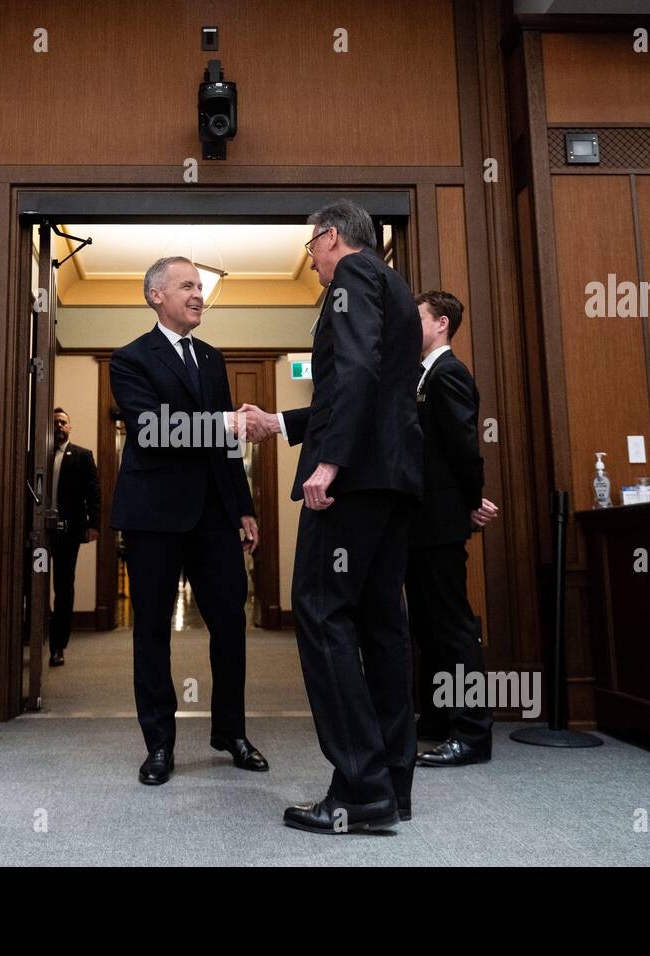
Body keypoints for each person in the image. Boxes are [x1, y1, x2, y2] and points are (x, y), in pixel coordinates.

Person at [237, 200, 422, 833]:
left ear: (331, 237)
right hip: (389, 480)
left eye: (310, 247)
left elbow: (355, 369)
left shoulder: (351, 276)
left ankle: (359, 788)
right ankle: (391, 784)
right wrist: (282, 425)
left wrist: (330, 462)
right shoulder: (389, 281)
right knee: (381, 626)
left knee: (319, 610)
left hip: (355, 480)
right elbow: (366, 384)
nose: (309, 259)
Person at [109, 256, 267, 786]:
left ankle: (231, 732)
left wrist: (243, 506)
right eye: (188, 286)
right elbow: (151, 430)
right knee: (152, 632)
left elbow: (228, 447)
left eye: (201, 287)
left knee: (230, 626)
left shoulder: (213, 358)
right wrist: (224, 421)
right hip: (153, 517)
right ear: (156, 296)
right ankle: (159, 744)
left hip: (214, 517)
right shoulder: (129, 359)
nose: (200, 294)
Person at [408, 291, 499, 766]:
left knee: (453, 628)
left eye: (416, 317)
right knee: (426, 625)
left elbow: (464, 447)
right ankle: (440, 719)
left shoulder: (449, 374)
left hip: (441, 523)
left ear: (440, 323)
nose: (407, 323)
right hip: (421, 524)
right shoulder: (420, 374)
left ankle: (472, 732)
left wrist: (470, 504)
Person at [49, 407, 101, 667]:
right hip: (41, 534)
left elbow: (93, 493)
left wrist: (93, 525)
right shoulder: (37, 456)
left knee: (63, 587)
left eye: (63, 423)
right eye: (55, 422)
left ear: (70, 427)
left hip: (68, 533)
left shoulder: (82, 456)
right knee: (33, 586)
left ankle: (58, 646)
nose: (59, 427)